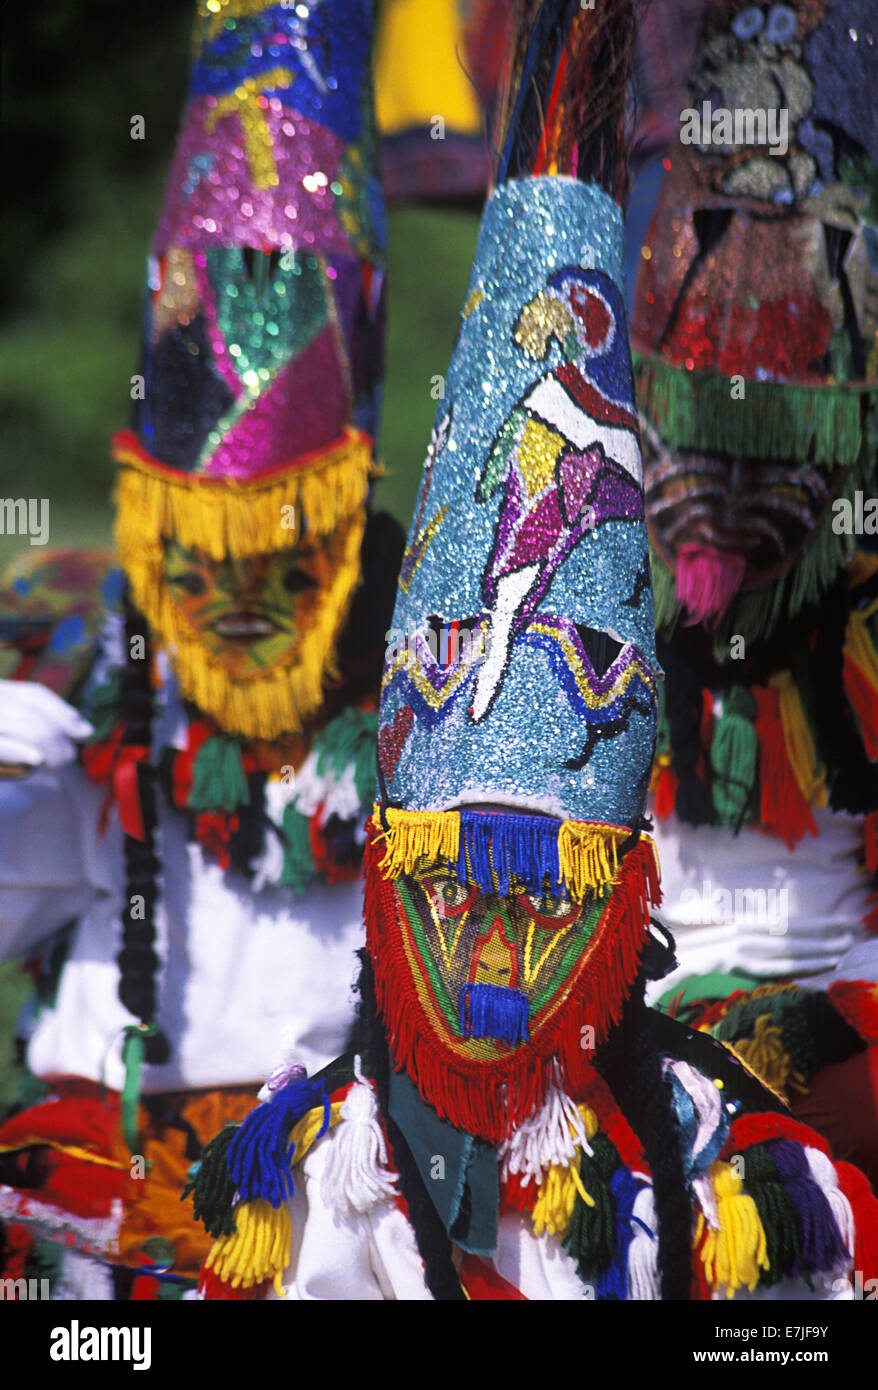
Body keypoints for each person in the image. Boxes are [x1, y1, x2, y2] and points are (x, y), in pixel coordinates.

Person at [189, 0, 878, 1301]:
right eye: (455, 893)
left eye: (767, 440)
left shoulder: (731, 1174)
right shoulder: (330, 1163)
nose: (493, 955)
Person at [0, 0, 402, 1300]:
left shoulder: (424, 688)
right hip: (112, 1239)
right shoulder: (89, 689)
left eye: (280, 551)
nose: (235, 595)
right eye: (196, 550)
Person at [630, 0, 878, 1183]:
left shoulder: (867, 625)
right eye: (688, 449)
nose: (715, 504)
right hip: (638, 1073)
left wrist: (821, 1034)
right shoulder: (596, 610)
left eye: (764, 453)